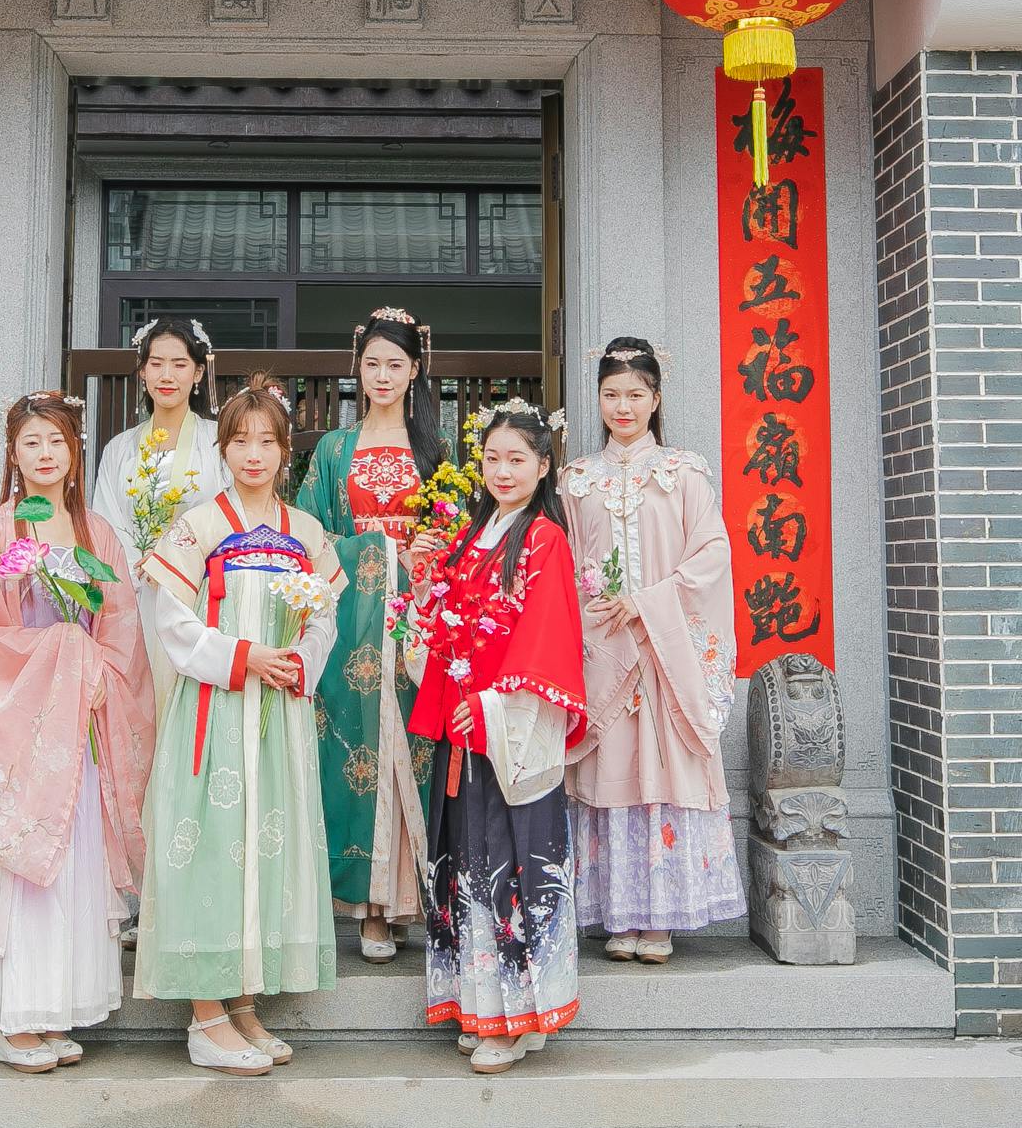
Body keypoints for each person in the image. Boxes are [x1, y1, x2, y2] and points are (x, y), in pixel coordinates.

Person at [0, 391, 157, 1071]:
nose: (43, 454)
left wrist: (88, 664)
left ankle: (56, 1007)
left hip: (81, 726)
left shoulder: (99, 535)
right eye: (30, 442)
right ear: (13, 453)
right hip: (23, 728)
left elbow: (122, 630)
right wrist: (56, 652)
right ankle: (14, 1017)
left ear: (73, 455)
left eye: (55, 443)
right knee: (31, 867)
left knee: (74, 863)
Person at [134, 378, 344, 1076]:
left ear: (287, 451)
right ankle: (204, 1015)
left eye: (267, 441)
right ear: (222, 449)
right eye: (239, 440)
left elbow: (325, 618)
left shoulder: (306, 532)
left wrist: (298, 662)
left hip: (278, 714)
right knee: (212, 844)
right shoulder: (195, 526)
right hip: (215, 710)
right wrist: (245, 656)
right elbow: (172, 621)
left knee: (263, 848)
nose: (253, 453)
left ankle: (244, 1001)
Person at [401, 399, 590, 1073]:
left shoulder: (543, 540)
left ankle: (517, 1017)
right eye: (492, 459)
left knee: (509, 866)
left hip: (507, 728)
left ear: (544, 467)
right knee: (469, 863)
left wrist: (489, 705)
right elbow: (435, 628)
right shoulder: (469, 536)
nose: (502, 471)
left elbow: (546, 639)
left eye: (518, 459)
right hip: (464, 727)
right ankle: (485, 1006)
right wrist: (423, 580)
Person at [562, 337, 743, 962]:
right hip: (605, 647)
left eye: (635, 395)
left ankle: (660, 916)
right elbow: (570, 563)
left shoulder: (684, 472)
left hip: (667, 650)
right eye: (611, 395)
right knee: (612, 773)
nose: (623, 406)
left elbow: (713, 555)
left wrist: (649, 601)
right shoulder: (577, 478)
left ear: (656, 399)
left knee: (662, 772)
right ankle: (619, 913)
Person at [295, 306, 446, 963]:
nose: (383, 375)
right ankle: (365, 906)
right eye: (373, 362)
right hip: (354, 621)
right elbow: (309, 535)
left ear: (416, 371)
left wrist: (430, 554)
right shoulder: (333, 448)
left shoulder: (435, 451)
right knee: (354, 751)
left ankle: (406, 899)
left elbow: (456, 537)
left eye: (396, 364)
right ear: (358, 367)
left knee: (416, 750)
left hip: (416, 621)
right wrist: (379, 551)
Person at [92, 316, 227, 565]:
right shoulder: (119, 448)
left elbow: (230, 518)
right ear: (142, 370)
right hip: (132, 582)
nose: (166, 376)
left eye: (179, 365)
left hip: (199, 582)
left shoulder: (220, 442)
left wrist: (172, 564)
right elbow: (106, 523)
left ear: (198, 373)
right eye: (156, 364)